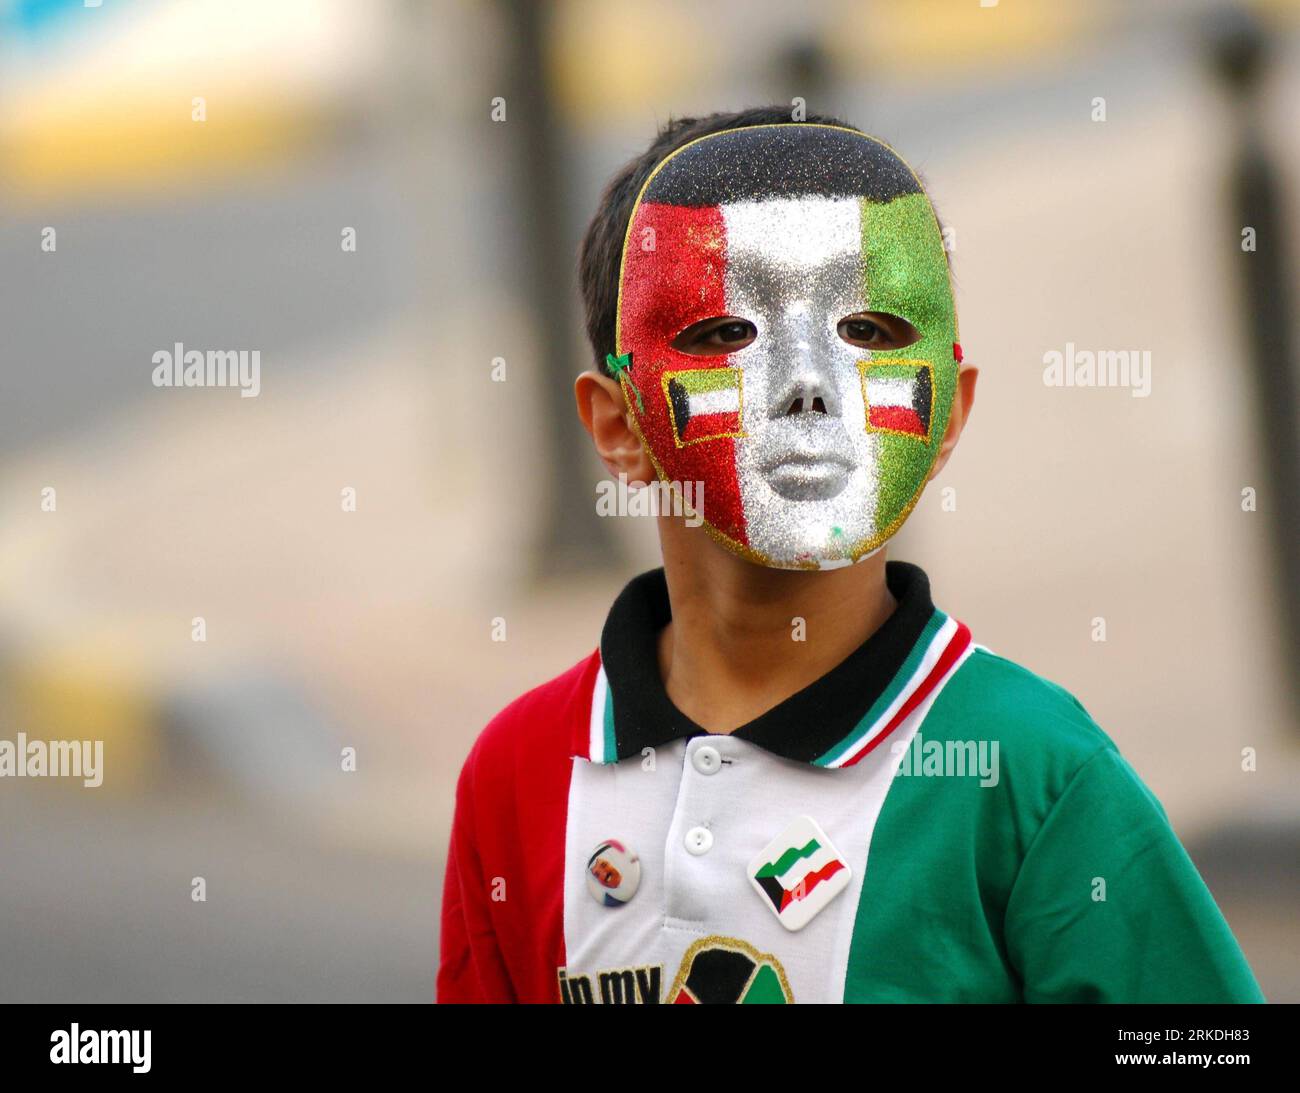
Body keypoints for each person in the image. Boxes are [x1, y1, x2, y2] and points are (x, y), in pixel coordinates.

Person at [436, 107, 1264, 1004]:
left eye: (868, 330)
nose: (805, 384)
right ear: (615, 424)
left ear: (948, 414)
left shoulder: (1030, 774)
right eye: (723, 334)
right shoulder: (519, 773)